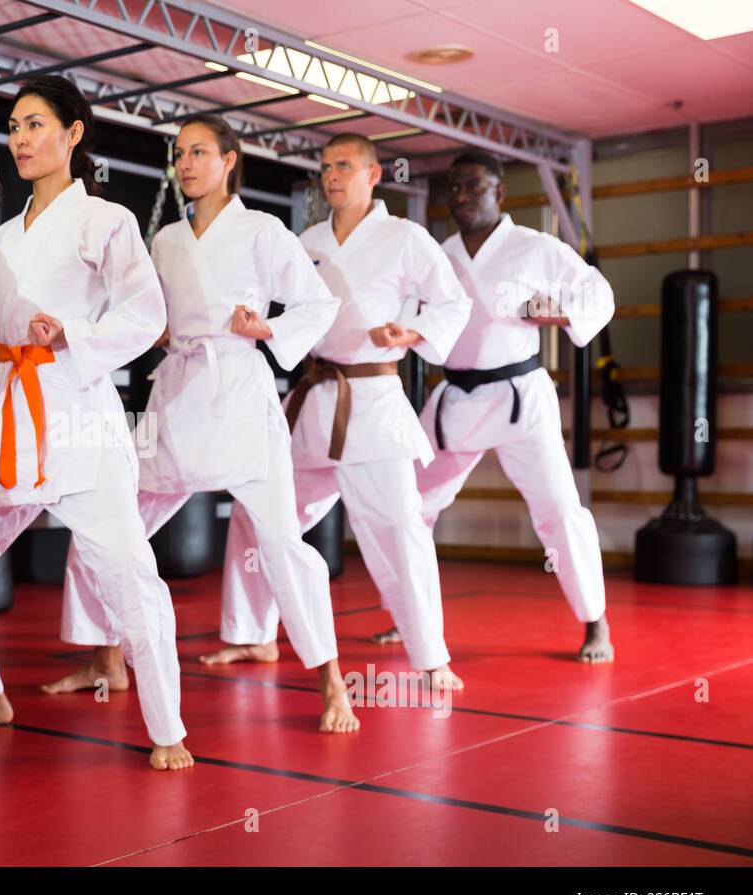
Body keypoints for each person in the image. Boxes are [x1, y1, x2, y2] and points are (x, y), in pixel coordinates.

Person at [50, 114, 360, 732]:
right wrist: (147, 329)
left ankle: (333, 684)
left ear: (229, 160)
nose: (185, 163)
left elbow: (318, 303)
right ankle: (105, 659)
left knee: (279, 542)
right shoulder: (164, 239)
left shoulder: (262, 230)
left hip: (239, 391)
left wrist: (267, 329)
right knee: (108, 520)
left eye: (198, 152)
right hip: (176, 389)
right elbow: (146, 315)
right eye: (179, 154)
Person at [0, 76, 193, 770]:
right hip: (9, 414)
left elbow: (146, 317)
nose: (19, 138)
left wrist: (71, 333)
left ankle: (167, 728)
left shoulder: (106, 220)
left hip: (77, 418)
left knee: (128, 572)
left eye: (35, 124)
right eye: (13, 126)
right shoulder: (4, 236)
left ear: (73, 134)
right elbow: (2, 329)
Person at [218, 133, 472, 693]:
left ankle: (430, 656)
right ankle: (251, 631)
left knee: (400, 526)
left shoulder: (405, 238)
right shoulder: (305, 240)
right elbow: (274, 306)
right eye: (325, 167)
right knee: (256, 513)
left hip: (373, 400)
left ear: (373, 175)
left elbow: (454, 301)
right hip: (313, 399)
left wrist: (413, 331)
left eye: (344, 166)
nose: (332, 176)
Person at [404, 149, 615, 662]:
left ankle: (595, 622)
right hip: (454, 397)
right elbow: (410, 312)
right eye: (453, 188)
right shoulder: (438, 254)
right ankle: (410, 617)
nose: (461, 197)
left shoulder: (532, 247)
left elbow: (599, 293)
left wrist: (561, 312)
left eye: (473, 186)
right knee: (407, 506)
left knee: (559, 510)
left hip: (522, 396)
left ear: (499, 192)